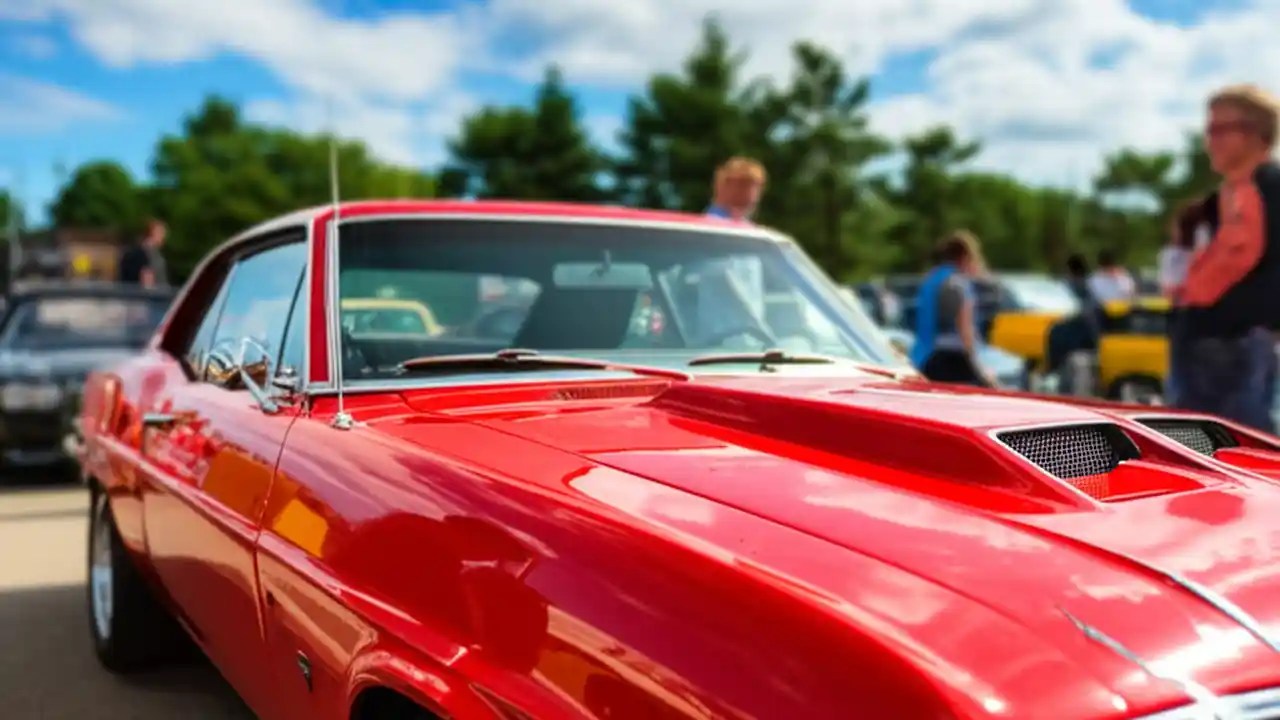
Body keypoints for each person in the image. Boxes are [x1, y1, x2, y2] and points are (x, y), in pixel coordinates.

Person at [1174, 83, 1280, 432]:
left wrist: (1205, 305)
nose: (1210, 141)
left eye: (1221, 130)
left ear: (1255, 134)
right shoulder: (1230, 193)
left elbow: (1248, 258)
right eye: (1209, 130)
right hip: (1217, 344)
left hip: (1232, 347)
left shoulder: (1267, 186)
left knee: (1233, 459)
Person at [692, 157, 768, 345]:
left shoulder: (749, 231)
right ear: (723, 186)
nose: (752, 193)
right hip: (719, 339)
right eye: (743, 184)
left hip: (751, 339)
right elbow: (726, 285)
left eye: (756, 185)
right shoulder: (710, 229)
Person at [911, 231, 995, 387]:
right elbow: (965, 330)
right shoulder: (958, 285)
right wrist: (981, 370)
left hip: (925, 359)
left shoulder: (931, 280)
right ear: (964, 257)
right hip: (954, 361)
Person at [118, 218, 169, 288]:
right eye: (162, 233)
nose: (164, 237)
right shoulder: (145, 254)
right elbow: (147, 282)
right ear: (153, 234)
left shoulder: (151, 252)